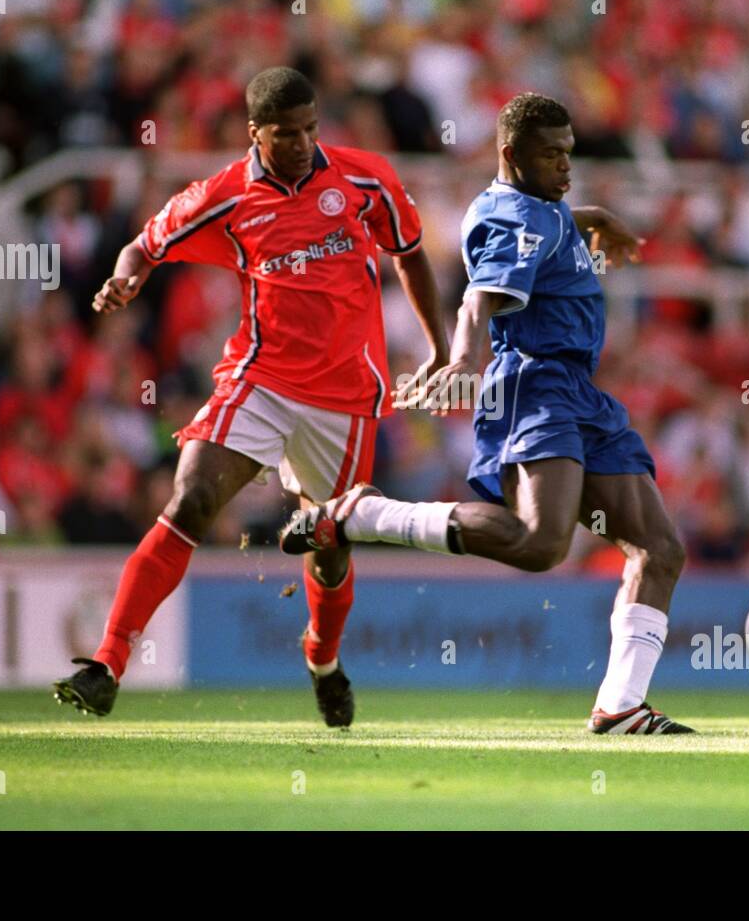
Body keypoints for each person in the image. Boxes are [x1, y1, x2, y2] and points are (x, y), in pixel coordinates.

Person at [281, 93, 692, 735]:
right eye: (551, 155)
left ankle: (620, 705)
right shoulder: (509, 217)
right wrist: (465, 362)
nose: (565, 167)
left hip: (579, 392)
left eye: (569, 153)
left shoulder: (541, 209)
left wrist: (592, 215)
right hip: (534, 384)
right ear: (510, 155)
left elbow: (545, 222)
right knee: (539, 543)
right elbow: (480, 298)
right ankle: (364, 514)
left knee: (660, 548)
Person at [53, 67, 449, 726]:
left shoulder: (364, 178)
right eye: (285, 133)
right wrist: (124, 283)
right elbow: (141, 246)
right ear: (253, 132)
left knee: (331, 549)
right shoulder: (224, 196)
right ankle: (106, 662)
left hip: (344, 398)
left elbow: (409, 253)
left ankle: (322, 658)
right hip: (260, 380)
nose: (301, 143)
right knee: (191, 497)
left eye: (309, 129)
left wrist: (438, 345)